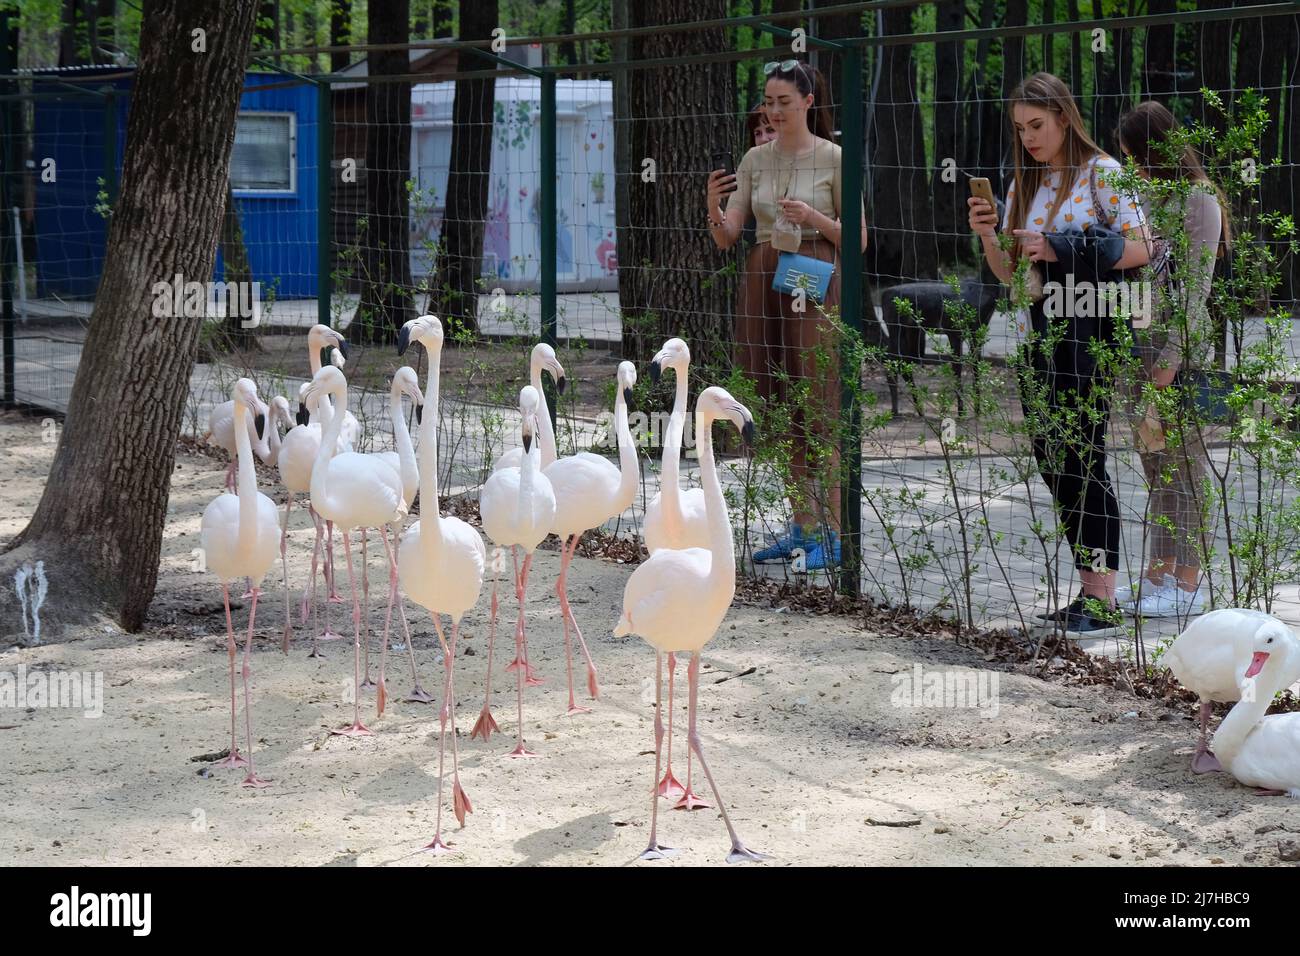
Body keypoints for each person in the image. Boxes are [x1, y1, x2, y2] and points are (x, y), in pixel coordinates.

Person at [968, 72, 1151, 637]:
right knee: (1055, 464)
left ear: (1065, 118)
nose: (1027, 136)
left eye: (1037, 125)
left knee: (1084, 460)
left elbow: (1144, 246)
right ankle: (1087, 590)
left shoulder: (1104, 175)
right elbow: (1012, 277)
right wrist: (989, 236)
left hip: (1088, 334)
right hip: (1036, 337)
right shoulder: (1029, 181)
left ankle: (1103, 598)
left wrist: (1060, 246)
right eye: (1020, 127)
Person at [706, 59, 868, 572]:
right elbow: (729, 234)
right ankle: (802, 527)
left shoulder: (837, 157)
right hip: (764, 274)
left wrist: (814, 217)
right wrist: (714, 207)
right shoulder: (754, 158)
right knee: (778, 395)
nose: (773, 111)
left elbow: (859, 239)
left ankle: (838, 535)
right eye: (767, 102)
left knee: (819, 396)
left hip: (814, 271)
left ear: (808, 102)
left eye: (783, 102)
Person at [1114, 101, 1230, 618]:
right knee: (1154, 466)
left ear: (1154, 149)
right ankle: (1156, 575)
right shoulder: (1141, 198)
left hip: (1178, 353)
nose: (1131, 167)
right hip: (1136, 346)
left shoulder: (1199, 199)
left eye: (1133, 156)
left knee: (1185, 469)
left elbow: (1194, 290)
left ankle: (1188, 583)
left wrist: (1169, 361)